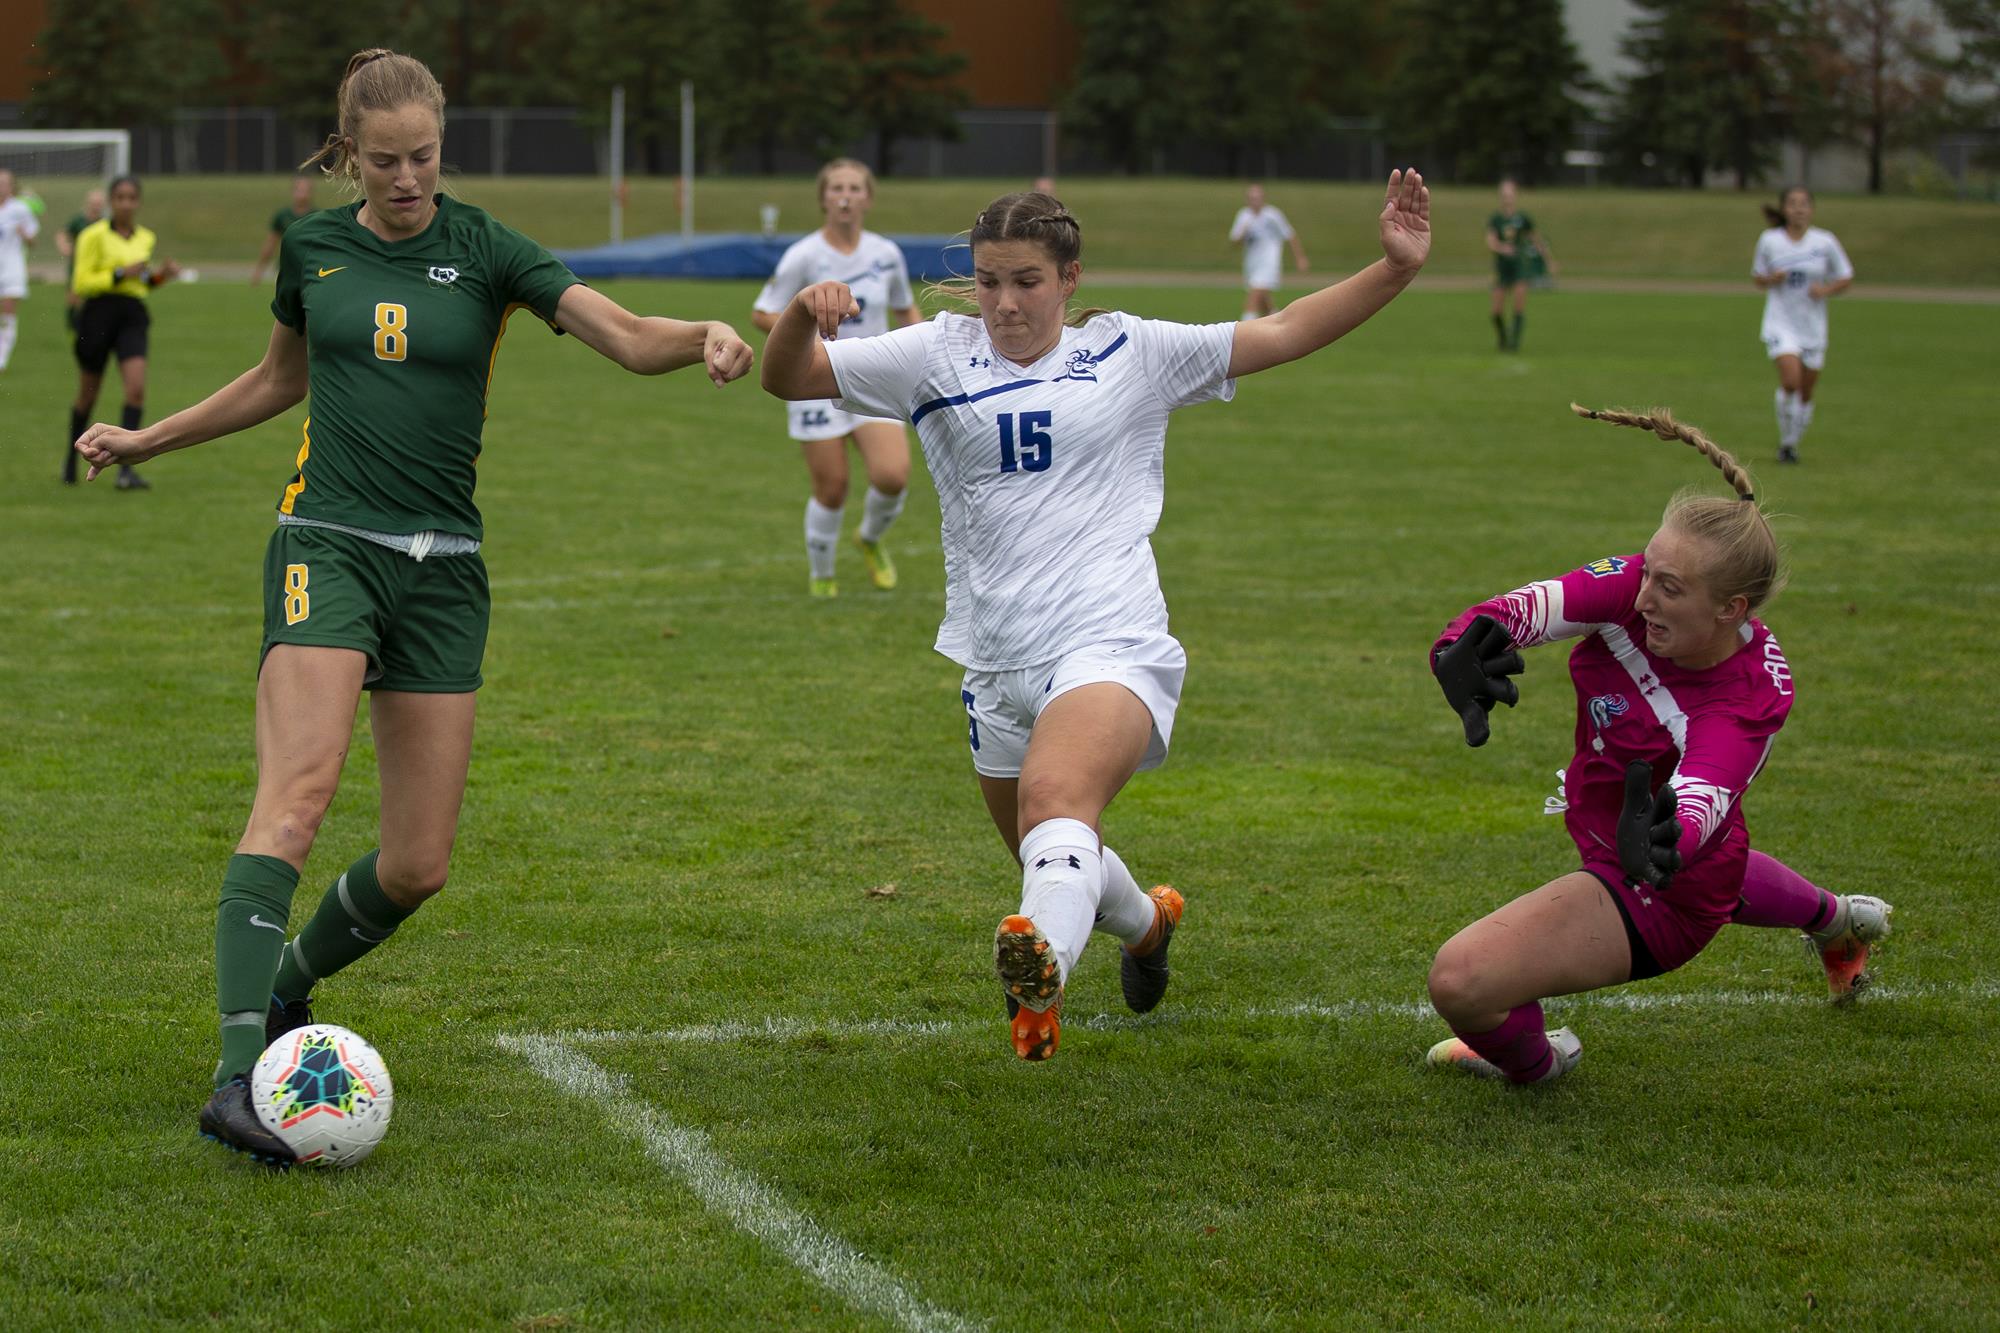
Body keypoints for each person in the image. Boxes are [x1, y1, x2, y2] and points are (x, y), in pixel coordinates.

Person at [71, 48, 755, 1166]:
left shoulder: (486, 247)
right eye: (384, 161)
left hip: (445, 568)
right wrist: (150, 436)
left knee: (415, 864)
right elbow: (278, 378)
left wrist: (704, 338)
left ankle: (288, 989)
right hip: (326, 544)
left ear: (444, 146)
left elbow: (625, 336)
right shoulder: (314, 246)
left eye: (423, 157)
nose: (405, 179)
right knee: (295, 799)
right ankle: (238, 1076)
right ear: (348, 153)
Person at [762, 170, 1431, 1061]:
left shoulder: (1131, 352)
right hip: (993, 659)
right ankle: (1148, 925)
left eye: (1027, 281)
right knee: (1054, 851)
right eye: (990, 280)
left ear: (1070, 279)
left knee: (1055, 804)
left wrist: (1392, 270)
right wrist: (806, 313)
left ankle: (1040, 975)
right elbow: (791, 377)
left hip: (1110, 640)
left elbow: (1282, 329)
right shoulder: (932, 354)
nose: (1005, 302)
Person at [1421, 405, 1891, 1086]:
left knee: (1462, 979)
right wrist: (1458, 645)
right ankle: (1838, 920)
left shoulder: (1746, 699)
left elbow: (1701, 800)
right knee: (1729, 861)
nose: (1644, 597)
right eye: (1649, 572)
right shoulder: (1641, 583)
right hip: (1626, 829)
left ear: (1732, 609)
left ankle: (1537, 1059)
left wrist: (1668, 833)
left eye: (1670, 588)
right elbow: (1526, 607)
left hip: (1661, 887)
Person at [750, 158, 918, 596]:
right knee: (832, 487)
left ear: (868, 198)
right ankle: (822, 576)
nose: (846, 195)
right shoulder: (805, 255)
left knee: (892, 475)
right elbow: (762, 310)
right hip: (813, 379)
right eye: (837, 188)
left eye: (855, 188)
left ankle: (870, 538)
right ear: (824, 198)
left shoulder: (885, 254)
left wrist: (922, 350)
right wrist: (806, 336)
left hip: (876, 374)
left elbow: (905, 310)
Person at [66, 175, 179, 489]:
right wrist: (118, 273)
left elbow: (141, 284)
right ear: (111, 201)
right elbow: (82, 282)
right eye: (120, 197)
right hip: (98, 315)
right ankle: (70, 461)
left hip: (132, 315)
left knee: (136, 389)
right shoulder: (92, 236)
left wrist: (162, 277)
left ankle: (126, 471)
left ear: (138, 202)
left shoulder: (145, 238)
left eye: (132, 197)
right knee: (88, 394)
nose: (126, 203)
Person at [1752, 186, 1853, 464]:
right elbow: (1758, 278)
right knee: (1790, 381)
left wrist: (1826, 290)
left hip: (1813, 326)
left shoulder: (1824, 242)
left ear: (1811, 209)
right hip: (1780, 323)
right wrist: (1772, 279)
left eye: (1804, 203)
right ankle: (1786, 442)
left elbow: (1846, 276)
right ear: (1784, 208)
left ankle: (1790, 444)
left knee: (1806, 392)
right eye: (1793, 203)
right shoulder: (1770, 240)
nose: (1799, 208)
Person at [1485, 178, 1553, 352]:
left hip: (1519, 267)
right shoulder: (1496, 219)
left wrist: (1549, 261)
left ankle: (1514, 343)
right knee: (1496, 312)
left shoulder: (1523, 218)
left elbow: (1537, 241)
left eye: (1510, 194)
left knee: (1518, 305)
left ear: (1515, 195)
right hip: (1502, 268)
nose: (1507, 197)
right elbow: (1491, 242)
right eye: (1504, 194)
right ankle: (1502, 338)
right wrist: (1502, 248)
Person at [1229, 183, 1308, 321]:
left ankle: (1246, 333)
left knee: (1253, 298)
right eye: (1252, 198)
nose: (1255, 201)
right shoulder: (1243, 215)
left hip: (1269, 262)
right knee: (1264, 301)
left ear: (1263, 198)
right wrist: (1243, 231)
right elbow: (1234, 242)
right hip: (1252, 263)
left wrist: (1300, 258)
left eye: (1257, 198)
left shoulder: (1273, 215)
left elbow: (1290, 235)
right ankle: (1279, 325)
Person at [0, 169, 39, 372]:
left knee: (7, 311)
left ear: (12, 186)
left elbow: (33, 240)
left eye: (5, 182)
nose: (1, 186)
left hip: (12, 266)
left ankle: (2, 357)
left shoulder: (20, 209)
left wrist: (24, 234)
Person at [249, 174, 316, 286]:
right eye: (299, 190)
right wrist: (259, 270)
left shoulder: (317, 217)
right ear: (293, 191)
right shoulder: (282, 216)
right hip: (287, 269)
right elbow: (271, 244)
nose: (302, 194)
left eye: (306, 190)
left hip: (310, 269)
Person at [56, 187, 106, 333]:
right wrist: (64, 246)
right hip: (77, 263)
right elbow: (62, 234)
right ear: (88, 203)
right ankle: (72, 325)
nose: (96, 206)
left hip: (97, 265)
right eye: (94, 203)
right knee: (73, 296)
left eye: (99, 203)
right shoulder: (78, 221)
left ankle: (91, 324)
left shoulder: (104, 223)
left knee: (95, 296)